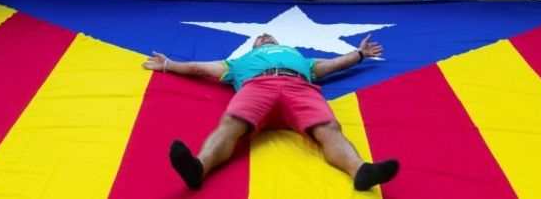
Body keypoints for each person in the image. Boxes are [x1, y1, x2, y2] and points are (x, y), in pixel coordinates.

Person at [142, 33, 400, 192]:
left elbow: (332, 65)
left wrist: (359, 54)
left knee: (329, 128)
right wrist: (168, 64)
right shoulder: (237, 62)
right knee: (230, 124)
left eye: (269, 36)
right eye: (260, 37)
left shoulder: (300, 58)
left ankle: (360, 171)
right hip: (258, 86)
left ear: (280, 43)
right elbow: (198, 67)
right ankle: (198, 167)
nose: (265, 35)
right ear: (254, 47)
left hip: (299, 86)